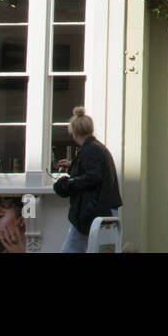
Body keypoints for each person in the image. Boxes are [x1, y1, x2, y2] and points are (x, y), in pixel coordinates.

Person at [52, 107, 123, 253]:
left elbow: (93, 177)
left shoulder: (90, 150)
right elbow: (96, 172)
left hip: (91, 212)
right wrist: (73, 165)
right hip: (102, 209)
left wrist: (68, 184)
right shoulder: (98, 148)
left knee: (70, 249)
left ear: (75, 133)